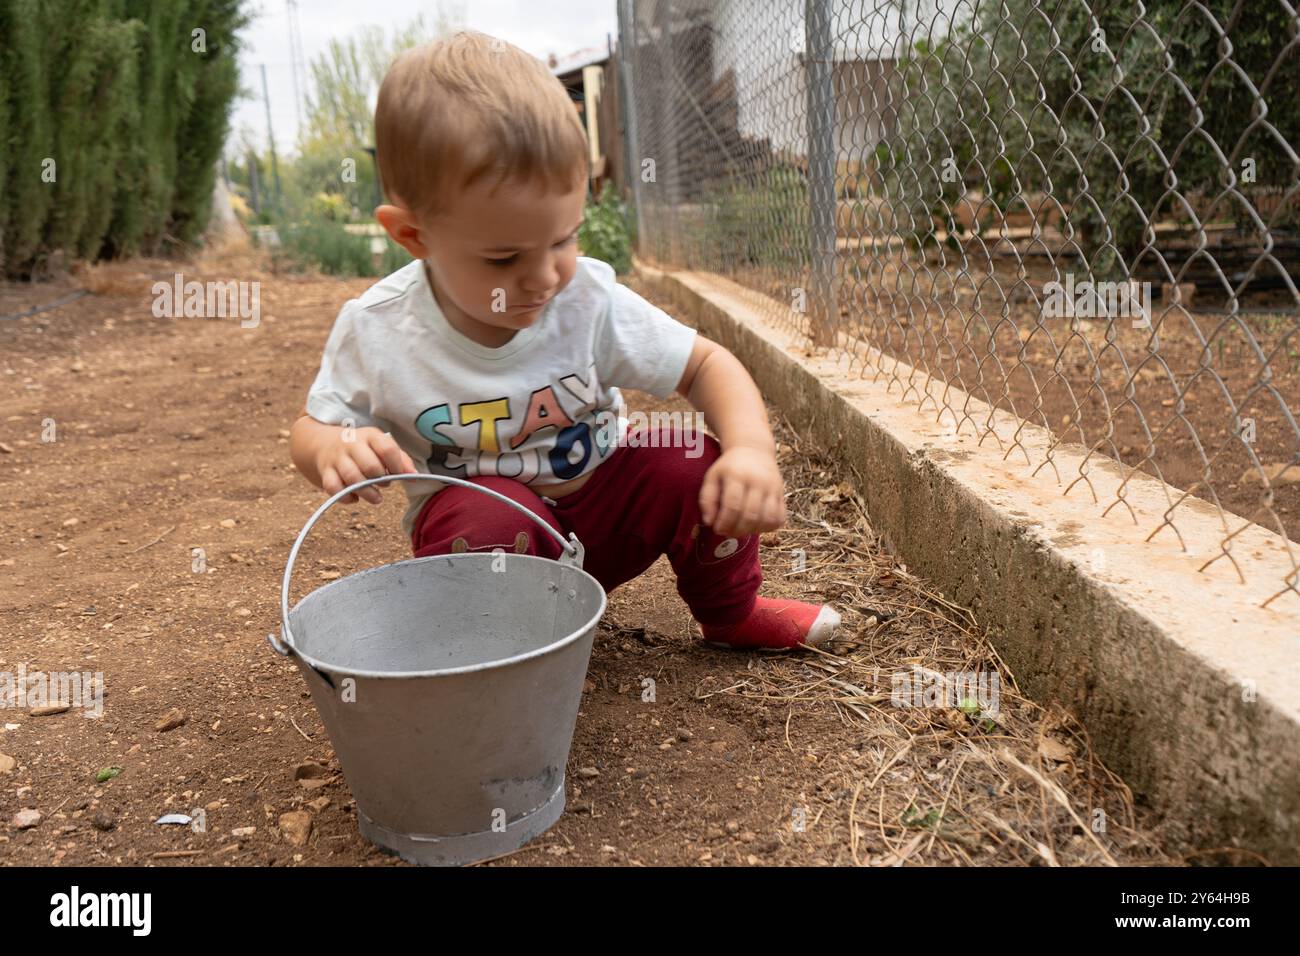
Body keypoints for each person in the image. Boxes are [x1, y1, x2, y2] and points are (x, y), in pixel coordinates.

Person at [289, 31, 841, 650]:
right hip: (489, 544)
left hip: (605, 508)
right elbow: (312, 427)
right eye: (503, 258)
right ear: (413, 236)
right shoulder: (379, 328)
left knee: (687, 454)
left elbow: (706, 365)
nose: (546, 275)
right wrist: (332, 448)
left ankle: (732, 612)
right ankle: (499, 657)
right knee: (486, 509)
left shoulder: (586, 301)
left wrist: (751, 450)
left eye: (563, 239)